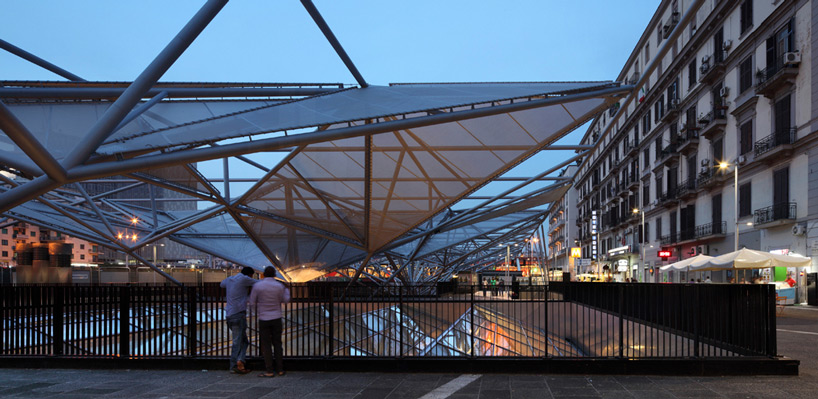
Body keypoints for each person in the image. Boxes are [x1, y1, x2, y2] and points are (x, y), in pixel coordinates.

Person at [250, 266, 291, 378]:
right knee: (277, 343)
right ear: (274, 274)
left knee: (266, 345)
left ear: (264, 274)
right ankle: (280, 369)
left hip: (264, 318)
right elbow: (286, 300)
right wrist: (287, 289)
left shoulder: (258, 286)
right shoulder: (279, 286)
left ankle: (269, 370)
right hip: (277, 317)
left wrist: (257, 313)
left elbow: (252, 302)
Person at [220, 266, 258, 374]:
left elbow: (221, 284)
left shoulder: (229, 279)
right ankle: (234, 365)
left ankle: (240, 361)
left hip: (229, 315)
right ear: (249, 274)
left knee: (244, 341)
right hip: (239, 314)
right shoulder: (245, 279)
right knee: (237, 341)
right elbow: (258, 283)